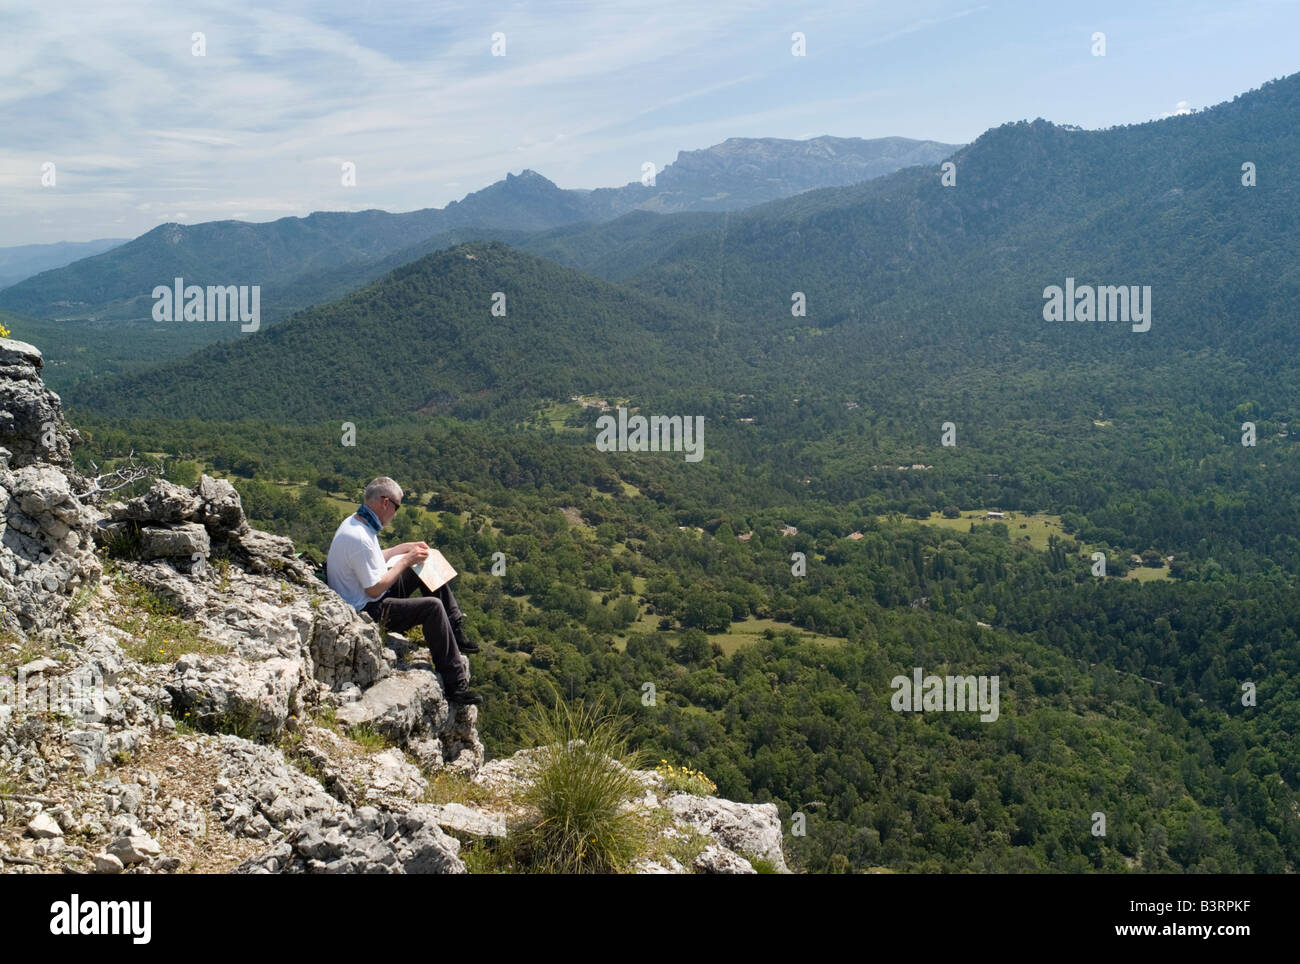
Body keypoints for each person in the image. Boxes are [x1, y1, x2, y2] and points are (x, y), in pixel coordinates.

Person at [326, 477, 483, 706]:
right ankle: (455, 685)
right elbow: (373, 590)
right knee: (432, 608)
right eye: (397, 507)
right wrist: (405, 561)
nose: (396, 514)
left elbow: (374, 560)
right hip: (369, 609)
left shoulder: (357, 523)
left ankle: (455, 630)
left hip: (372, 595)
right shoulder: (359, 537)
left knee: (424, 565)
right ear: (385, 503)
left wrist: (404, 549)